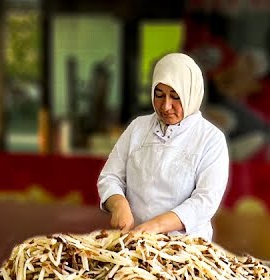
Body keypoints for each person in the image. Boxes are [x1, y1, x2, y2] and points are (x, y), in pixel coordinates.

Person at [97, 53, 230, 241]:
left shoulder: (210, 139)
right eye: (159, 95)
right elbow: (110, 177)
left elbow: (205, 202)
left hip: (186, 249)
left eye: (175, 97)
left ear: (191, 94)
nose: (166, 106)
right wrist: (119, 204)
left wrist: (155, 226)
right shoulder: (138, 128)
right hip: (134, 244)